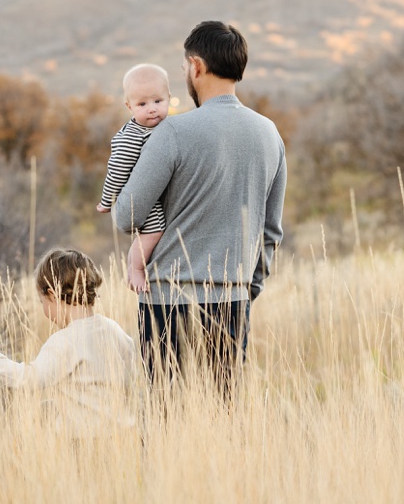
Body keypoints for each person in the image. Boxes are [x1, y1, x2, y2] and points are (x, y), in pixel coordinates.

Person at [113, 20, 286, 390]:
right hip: (233, 300)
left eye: (183, 68)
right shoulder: (270, 134)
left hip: (166, 303)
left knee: (166, 412)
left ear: (195, 66)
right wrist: (246, 289)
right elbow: (271, 232)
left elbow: (126, 216)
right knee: (222, 414)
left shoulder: (171, 132)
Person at [0, 248, 141, 432]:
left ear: (52, 295)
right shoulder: (115, 330)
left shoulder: (65, 340)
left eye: (42, 301)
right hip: (124, 433)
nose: (43, 308)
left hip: (84, 438)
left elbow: (29, 379)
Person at [94, 63, 171, 292]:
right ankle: (136, 269)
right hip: (138, 194)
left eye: (158, 101)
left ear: (169, 97)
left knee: (148, 235)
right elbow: (116, 171)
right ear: (129, 106)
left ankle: (133, 264)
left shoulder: (161, 127)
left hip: (152, 190)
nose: (152, 109)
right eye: (142, 104)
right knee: (154, 231)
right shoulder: (132, 137)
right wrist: (107, 200)